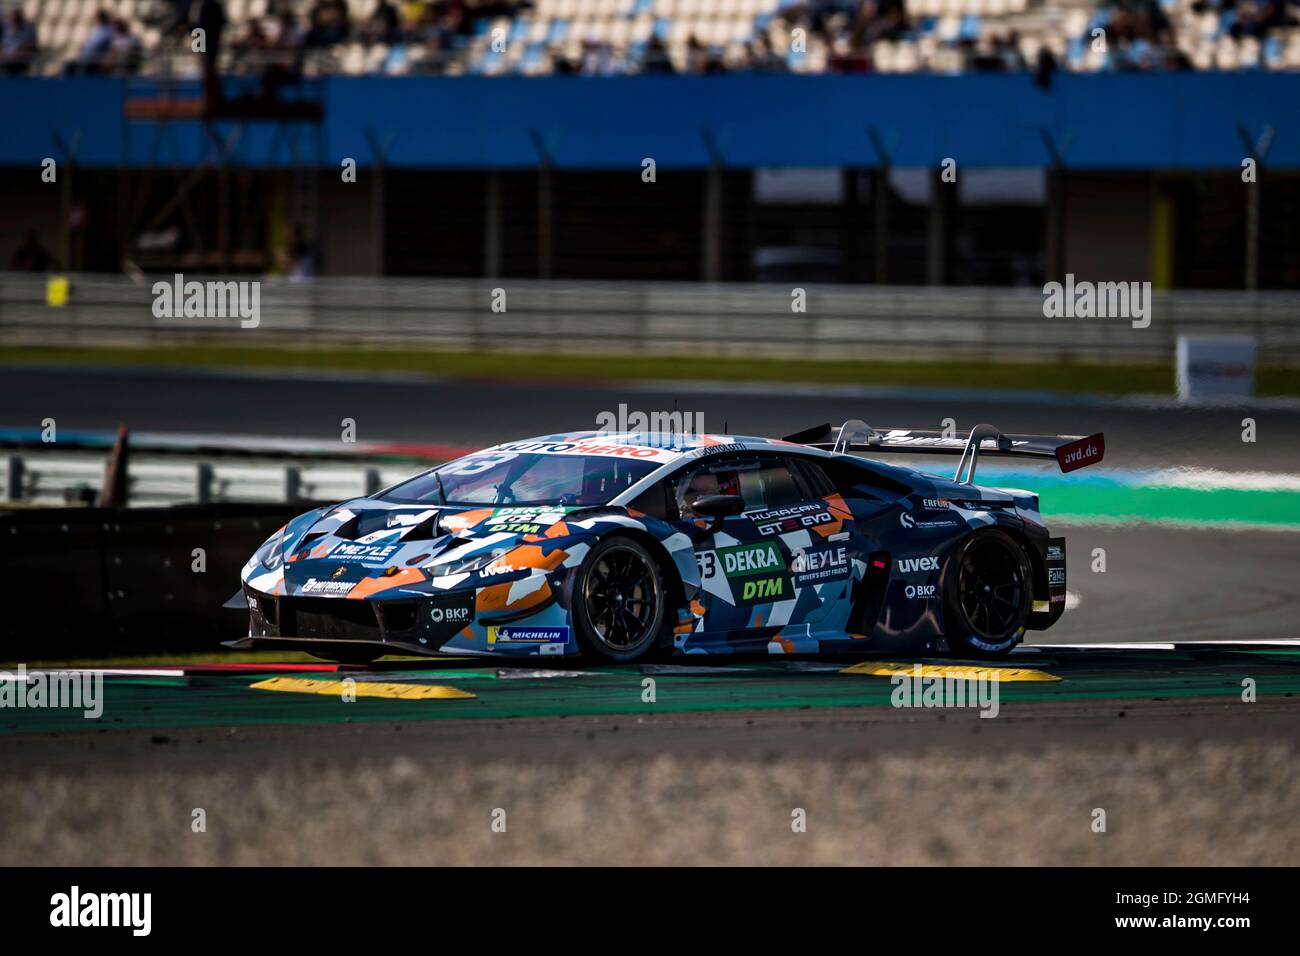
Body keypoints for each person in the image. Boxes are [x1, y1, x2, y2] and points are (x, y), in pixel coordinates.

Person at [0, 9, 37, 75]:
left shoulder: (28, 30)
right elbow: (4, 45)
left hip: (21, 61)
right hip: (7, 62)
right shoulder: (7, 30)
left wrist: (20, 51)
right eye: (12, 17)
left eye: (16, 17)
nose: (13, 19)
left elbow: (31, 44)